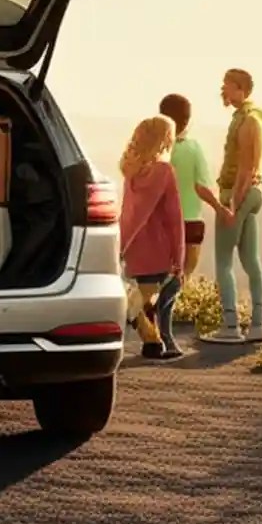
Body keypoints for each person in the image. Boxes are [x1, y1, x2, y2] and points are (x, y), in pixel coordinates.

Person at [200, 68, 262, 345]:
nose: (223, 90)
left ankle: (230, 325)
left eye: (227, 85)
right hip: (252, 193)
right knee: (251, 260)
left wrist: (232, 204)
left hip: (238, 193)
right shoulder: (252, 117)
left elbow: (245, 167)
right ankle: (258, 324)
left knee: (223, 261)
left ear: (240, 88)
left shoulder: (248, 121)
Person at [119, 115, 186, 360]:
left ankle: (152, 343)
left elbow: (129, 211)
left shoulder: (130, 171)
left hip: (134, 247)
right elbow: (174, 218)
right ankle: (156, 341)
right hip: (158, 249)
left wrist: (121, 244)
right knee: (153, 299)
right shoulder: (165, 171)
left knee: (143, 300)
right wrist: (179, 257)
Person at [158, 94, 233, 277]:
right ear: (187, 120)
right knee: (185, 275)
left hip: (161, 222)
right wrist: (219, 208)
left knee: (161, 276)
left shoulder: (155, 150)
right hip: (191, 222)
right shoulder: (193, 148)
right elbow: (201, 187)